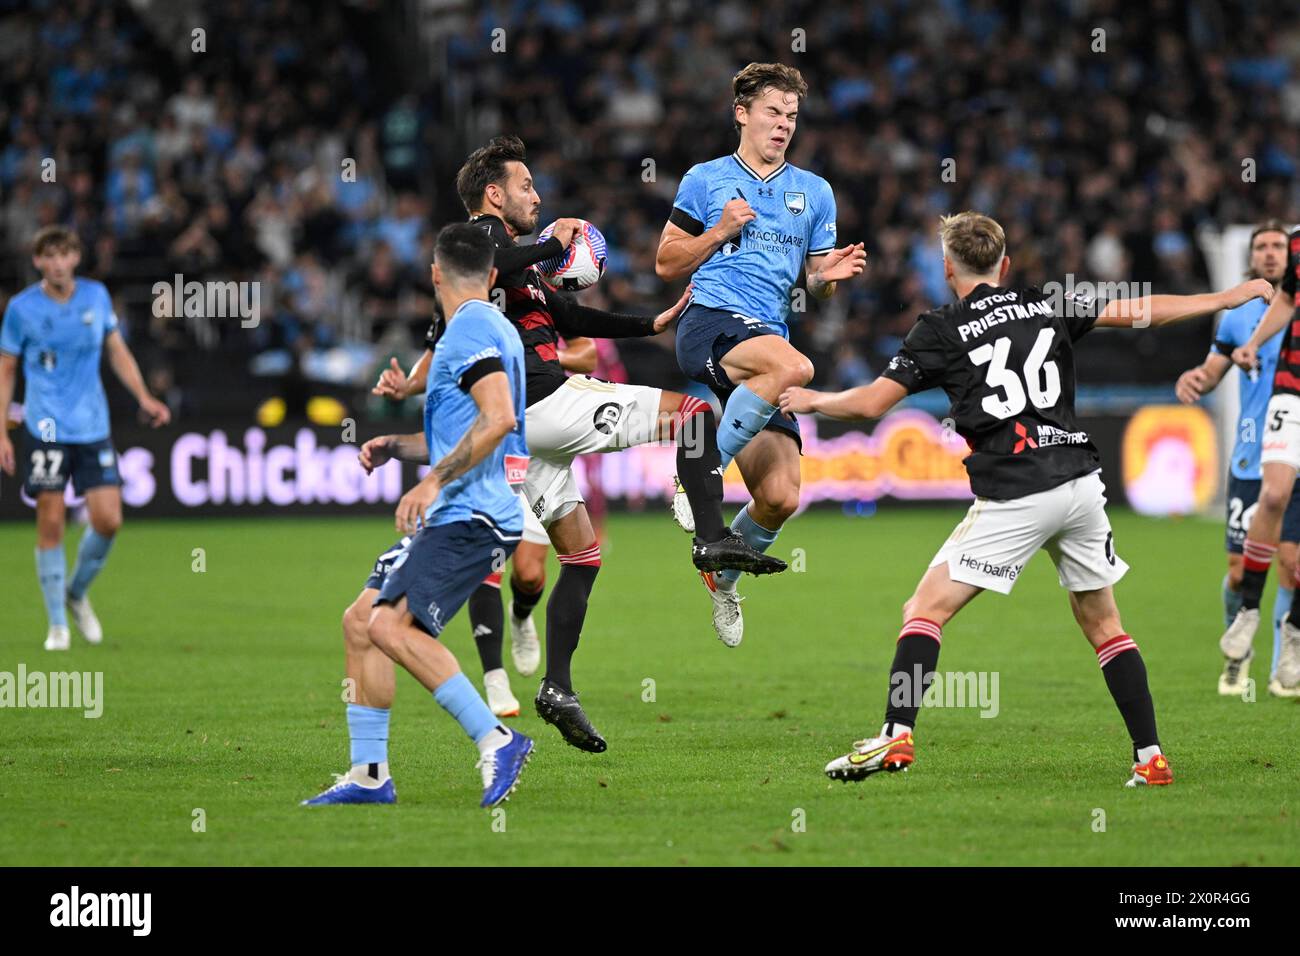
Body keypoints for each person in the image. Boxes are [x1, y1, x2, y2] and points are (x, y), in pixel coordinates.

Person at [780, 212, 1272, 786]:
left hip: (1016, 488)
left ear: (946, 268)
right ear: (1005, 265)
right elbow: (1143, 311)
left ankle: (895, 737)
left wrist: (813, 401)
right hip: (1081, 484)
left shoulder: (938, 329)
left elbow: (868, 406)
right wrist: (1226, 296)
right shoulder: (1047, 301)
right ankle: (1151, 758)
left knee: (923, 611)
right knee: (1106, 624)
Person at [303, 224, 533, 808]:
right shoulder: (495, 326)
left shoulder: (469, 330)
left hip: (472, 514)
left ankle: (496, 738)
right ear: (491, 274)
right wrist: (401, 446)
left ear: (435, 274)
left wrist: (431, 480)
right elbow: (471, 429)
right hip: (470, 506)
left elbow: (499, 418)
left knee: (391, 626)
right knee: (361, 621)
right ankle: (370, 774)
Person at [655, 62, 867, 647]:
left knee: (780, 497)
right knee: (795, 367)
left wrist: (830, 276)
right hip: (709, 322)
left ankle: (720, 578)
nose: (783, 126)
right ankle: (698, 474)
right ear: (742, 112)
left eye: (792, 116)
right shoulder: (706, 180)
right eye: (773, 112)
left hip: (762, 344)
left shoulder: (815, 192)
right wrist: (718, 231)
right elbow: (667, 264)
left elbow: (816, 282)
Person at [0, 225, 171, 650]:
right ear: (38, 261)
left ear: (76, 257)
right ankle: (57, 624)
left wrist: (144, 396)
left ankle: (75, 592)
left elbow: (117, 351)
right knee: (51, 521)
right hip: (46, 428)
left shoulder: (95, 297)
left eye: (65, 254)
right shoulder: (22, 309)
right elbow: (5, 369)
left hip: (93, 427)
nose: (58, 263)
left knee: (109, 520)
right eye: (49, 256)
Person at [1172, 221, 1299, 696]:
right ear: (1252, 257)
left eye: (1277, 246)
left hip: (1292, 452)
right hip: (1251, 456)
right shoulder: (1239, 318)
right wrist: (1196, 380)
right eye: (1261, 247)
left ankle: (1282, 669)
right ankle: (1237, 653)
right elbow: (1213, 368)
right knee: (1240, 571)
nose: (1269, 254)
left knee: (1292, 566)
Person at [1220, 227, 1300, 697]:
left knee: (1296, 560)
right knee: (1274, 494)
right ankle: (1249, 609)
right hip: (1290, 392)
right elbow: (1289, 300)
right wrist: (1252, 343)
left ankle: (1292, 633)